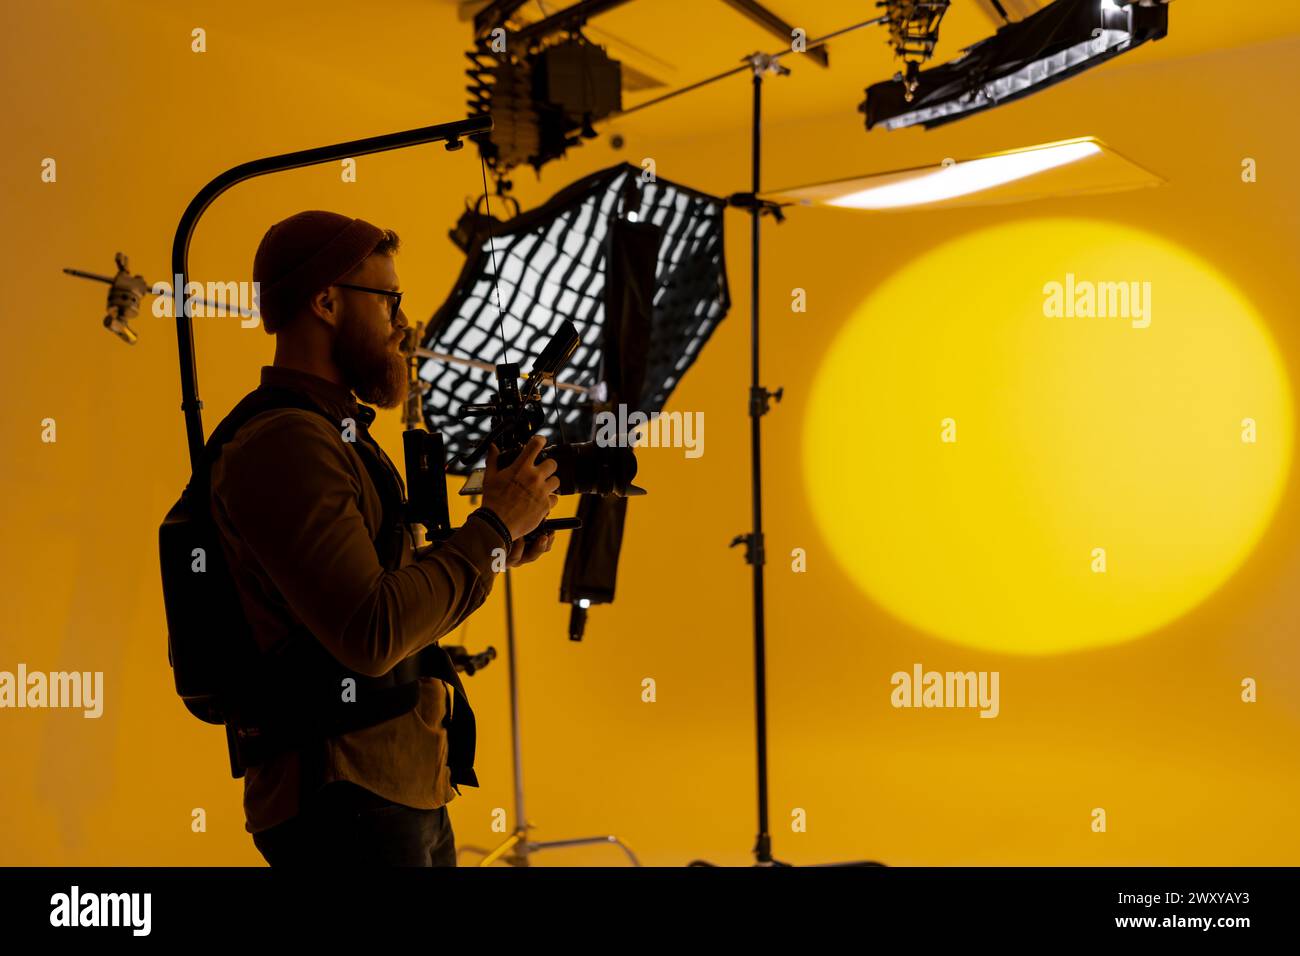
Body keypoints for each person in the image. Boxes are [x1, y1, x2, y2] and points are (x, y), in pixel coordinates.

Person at [209, 210, 556, 866]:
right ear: (327, 302)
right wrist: (492, 526)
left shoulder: (331, 433)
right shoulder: (288, 443)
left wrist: (498, 548)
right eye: (389, 299)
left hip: (393, 784)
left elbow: (372, 596)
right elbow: (371, 632)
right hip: (345, 798)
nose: (405, 323)